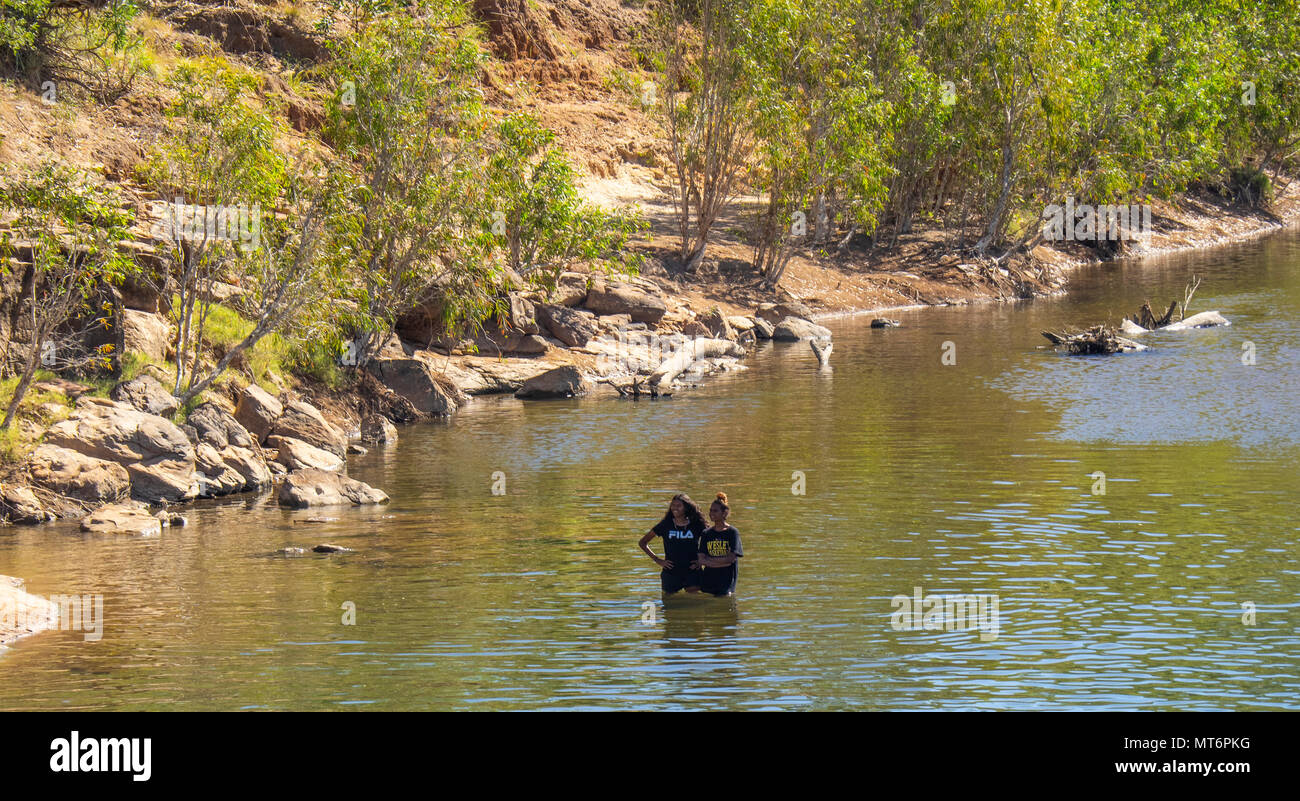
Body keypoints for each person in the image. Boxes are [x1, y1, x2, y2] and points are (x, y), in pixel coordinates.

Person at [638, 493, 706, 594]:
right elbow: (642, 542)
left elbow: (710, 540)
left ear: (686, 508)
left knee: (694, 603)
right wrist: (658, 560)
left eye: (679, 506)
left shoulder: (696, 524)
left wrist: (701, 561)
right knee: (669, 604)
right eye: (673, 505)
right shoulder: (666, 524)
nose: (675, 508)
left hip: (692, 571)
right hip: (671, 573)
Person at [697, 492, 743, 597]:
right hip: (708, 580)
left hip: (726, 581)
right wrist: (722, 562)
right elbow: (701, 560)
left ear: (724, 513)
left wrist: (709, 560)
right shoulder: (706, 533)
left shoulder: (732, 532)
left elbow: (731, 559)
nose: (711, 513)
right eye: (710, 510)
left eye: (715, 511)